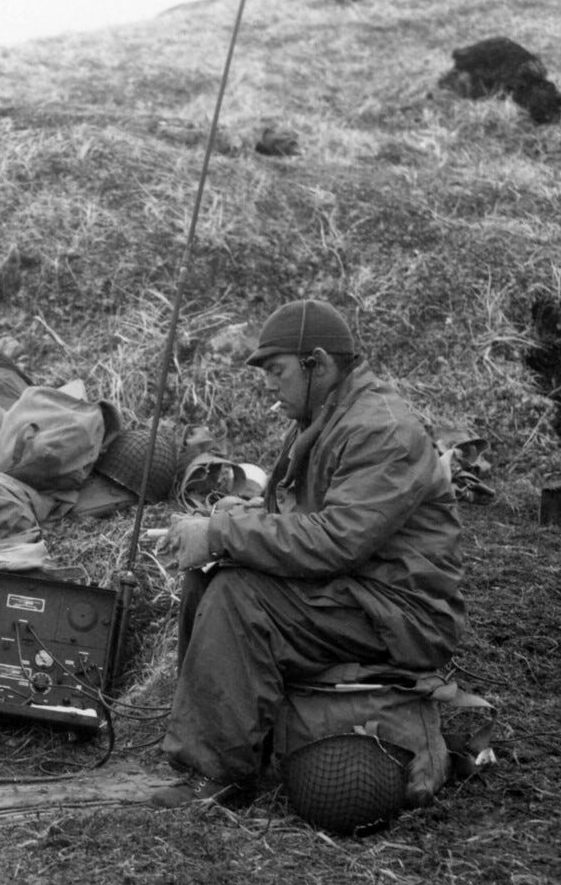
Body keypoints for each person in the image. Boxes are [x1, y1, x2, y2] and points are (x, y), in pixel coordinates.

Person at [154, 299, 465, 806]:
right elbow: (309, 512)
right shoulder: (331, 414)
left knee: (239, 596)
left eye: (277, 371)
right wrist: (240, 513)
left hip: (401, 613)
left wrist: (221, 533)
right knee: (208, 580)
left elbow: (336, 540)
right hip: (359, 592)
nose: (270, 384)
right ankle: (214, 749)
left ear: (315, 362)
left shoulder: (380, 429)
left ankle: (218, 777)